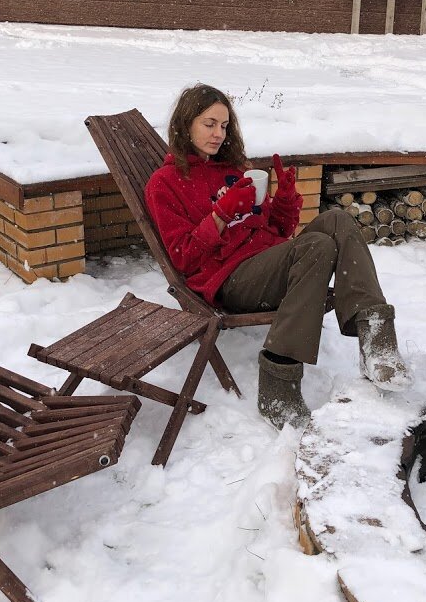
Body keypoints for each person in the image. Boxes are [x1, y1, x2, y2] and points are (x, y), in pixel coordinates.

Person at [144, 84, 410, 429]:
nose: (218, 134)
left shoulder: (232, 172)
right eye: (209, 123)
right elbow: (183, 258)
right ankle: (278, 387)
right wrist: (220, 216)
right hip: (228, 279)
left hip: (265, 262)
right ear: (186, 124)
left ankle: (377, 339)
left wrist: (284, 199)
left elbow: (278, 232)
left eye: (224, 126)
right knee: (318, 246)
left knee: (338, 220)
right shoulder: (164, 183)